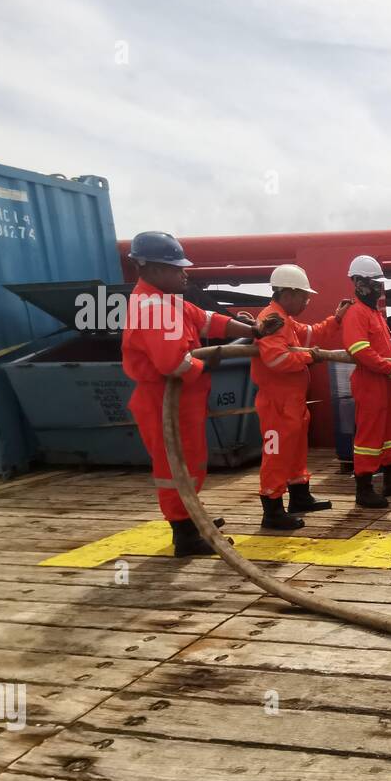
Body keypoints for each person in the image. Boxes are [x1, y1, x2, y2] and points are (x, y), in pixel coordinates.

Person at [121, 231, 267, 556]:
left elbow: (206, 320)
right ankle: (185, 533)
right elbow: (173, 363)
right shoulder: (154, 309)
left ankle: (191, 515)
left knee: (191, 462)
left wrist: (250, 330)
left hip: (182, 400)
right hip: (164, 402)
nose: (185, 273)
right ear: (154, 269)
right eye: (177, 268)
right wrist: (209, 363)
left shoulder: (167, 301)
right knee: (176, 467)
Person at [251, 263, 351, 530]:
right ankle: (272, 510)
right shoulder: (272, 320)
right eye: (304, 296)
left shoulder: (285, 320)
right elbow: (277, 358)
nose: (307, 301)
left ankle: (300, 495)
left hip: (291, 401)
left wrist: (336, 319)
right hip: (276, 403)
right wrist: (310, 356)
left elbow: (311, 334)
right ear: (288, 294)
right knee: (276, 455)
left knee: (295, 451)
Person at [342, 255, 391, 508]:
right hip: (370, 382)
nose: (379, 289)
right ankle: (363, 488)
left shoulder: (374, 314)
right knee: (370, 435)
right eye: (374, 284)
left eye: (379, 284)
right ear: (358, 283)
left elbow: (387, 349)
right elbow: (360, 350)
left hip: (385, 381)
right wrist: (389, 368)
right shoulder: (356, 314)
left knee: (390, 432)